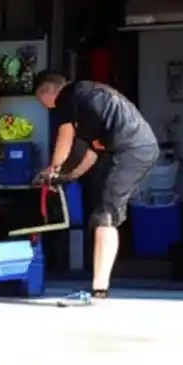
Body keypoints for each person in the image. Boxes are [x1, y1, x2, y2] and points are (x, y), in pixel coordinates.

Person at [32, 71, 159, 306]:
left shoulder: (68, 97)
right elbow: (93, 152)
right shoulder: (89, 98)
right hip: (139, 148)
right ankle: (99, 286)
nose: (46, 107)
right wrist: (67, 176)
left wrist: (53, 169)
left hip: (130, 150)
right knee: (102, 209)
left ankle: (99, 291)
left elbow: (65, 135)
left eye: (42, 101)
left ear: (47, 91)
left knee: (105, 214)